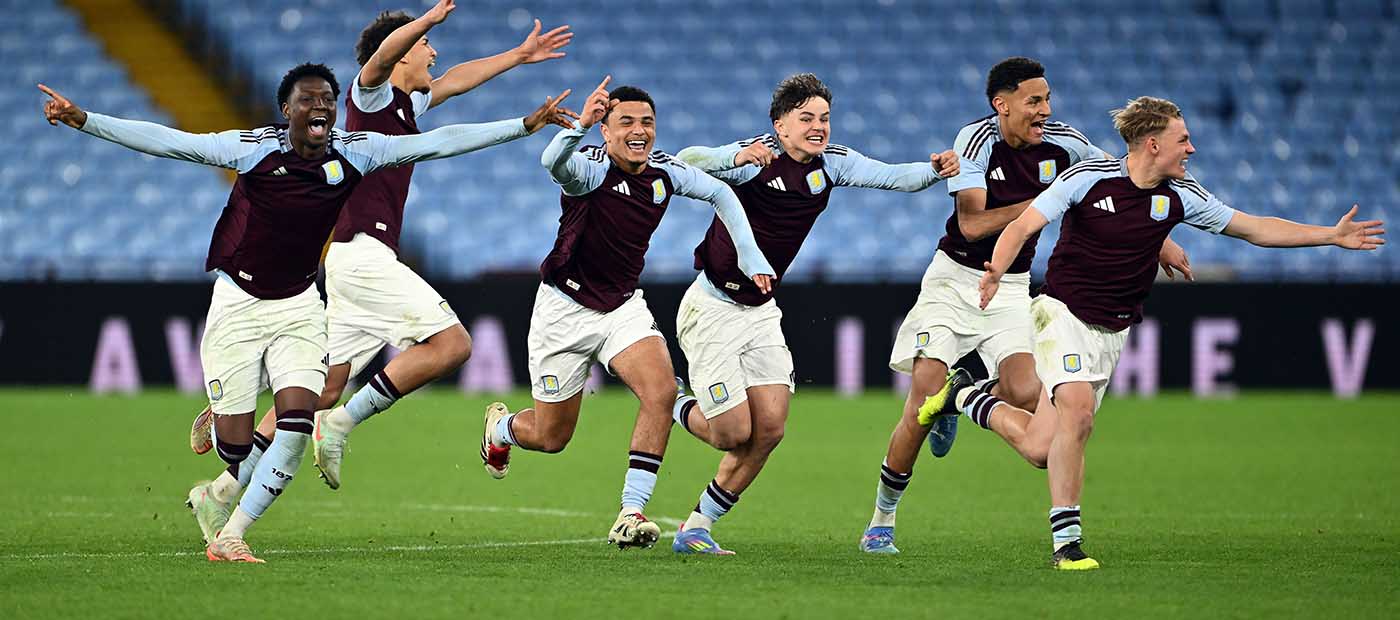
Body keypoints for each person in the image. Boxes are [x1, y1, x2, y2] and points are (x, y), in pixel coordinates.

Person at [41, 62, 572, 562]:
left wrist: (524, 126)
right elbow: (169, 142)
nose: (320, 107)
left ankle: (233, 535)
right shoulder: (251, 149)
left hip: (299, 306)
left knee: (297, 424)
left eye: (326, 99)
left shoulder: (357, 151)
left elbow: (438, 143)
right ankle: (226, 418)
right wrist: (84, 119)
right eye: (306, 100)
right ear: (286, 110)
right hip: (239, 305)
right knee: (235, 448)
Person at [974, 95, 1385, 569]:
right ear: (1152, 144)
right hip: (1059, 311)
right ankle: (1067, 544)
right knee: (1079, 412)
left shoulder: (1179, 196)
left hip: (1111, 330)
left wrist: (1329, 236)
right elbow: (1023, 225)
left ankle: (969, 398)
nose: (1190, 149)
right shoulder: (1086, 177)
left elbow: (1254, 229)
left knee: (1041, 449)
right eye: (1182, 140)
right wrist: (995, 273)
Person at [861, 58, 1190, 554]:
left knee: (1025, 392)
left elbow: (1122, 184)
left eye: (1048, 99)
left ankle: (965, 395)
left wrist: (1161, 242)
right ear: (1003, 104)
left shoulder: (1067, 143)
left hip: (1013, 287)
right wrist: (1049, 199)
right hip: (954, 283)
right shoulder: (974, 141)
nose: (1045, 110)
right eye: (1035, 101)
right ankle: (881, 519)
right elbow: (972, 225)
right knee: (920, 400)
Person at [479, 76, 776, 549]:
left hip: (622, 307)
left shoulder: (664, 173)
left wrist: (751, 255)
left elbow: (722, 194)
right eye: (626, 122)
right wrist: (577, 126)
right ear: (606, 131)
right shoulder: (591, 171)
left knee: (660, 391)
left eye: (647, 122)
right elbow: (551, 161)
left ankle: (630, 512)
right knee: (552, 437)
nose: (639, 131)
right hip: (564, 311)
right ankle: (502, 429)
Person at [669, 72, 958, 554]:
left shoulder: (832, 164)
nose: (818, 126)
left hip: (760, 312)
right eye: (806, 118)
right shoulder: (755, 157)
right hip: (713, 306)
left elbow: (891, 176)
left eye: (824, 118)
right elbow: (685, 162)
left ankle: (697, 526)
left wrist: (933, 170)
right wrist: (732, 157)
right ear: (779, 124)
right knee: (732, 432)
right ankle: (674, 403)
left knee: (771, 429)